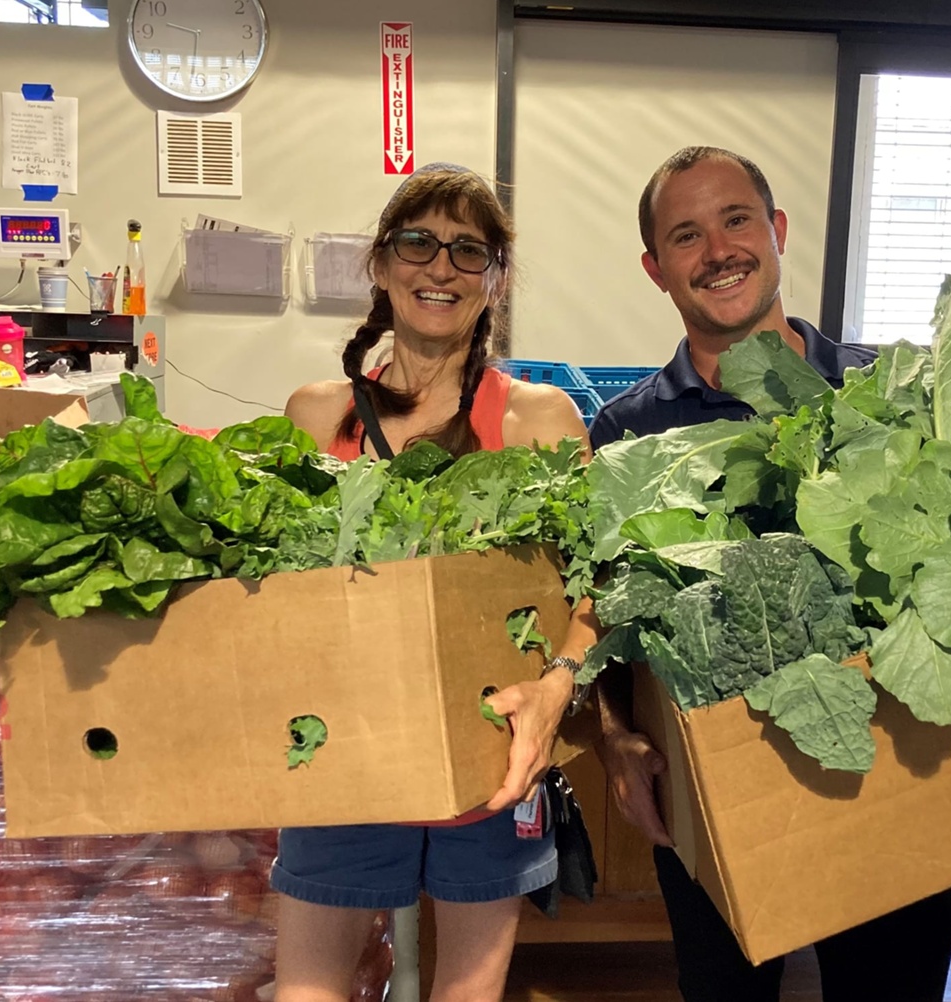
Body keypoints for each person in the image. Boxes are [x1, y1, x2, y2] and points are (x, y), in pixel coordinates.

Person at [589, 146, 951, 1002]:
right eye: (685, 235)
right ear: (656, 268)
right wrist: (612, 739)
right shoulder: (626, 432)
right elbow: (600, 622)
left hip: (900, 771)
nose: (719, 249)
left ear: (778, 231)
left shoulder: (894, 391)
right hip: (718, 792)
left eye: (737, 219)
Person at [273, 163, 597, 1002]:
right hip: (340, 751)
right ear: (381, 265)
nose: (440, 267)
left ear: (495, 280)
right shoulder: (315, 415)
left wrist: (558, 685)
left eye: (468, 250)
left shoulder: (539, 420)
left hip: (491, 751)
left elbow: (600, 581)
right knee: (310, 991)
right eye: (418, 242)